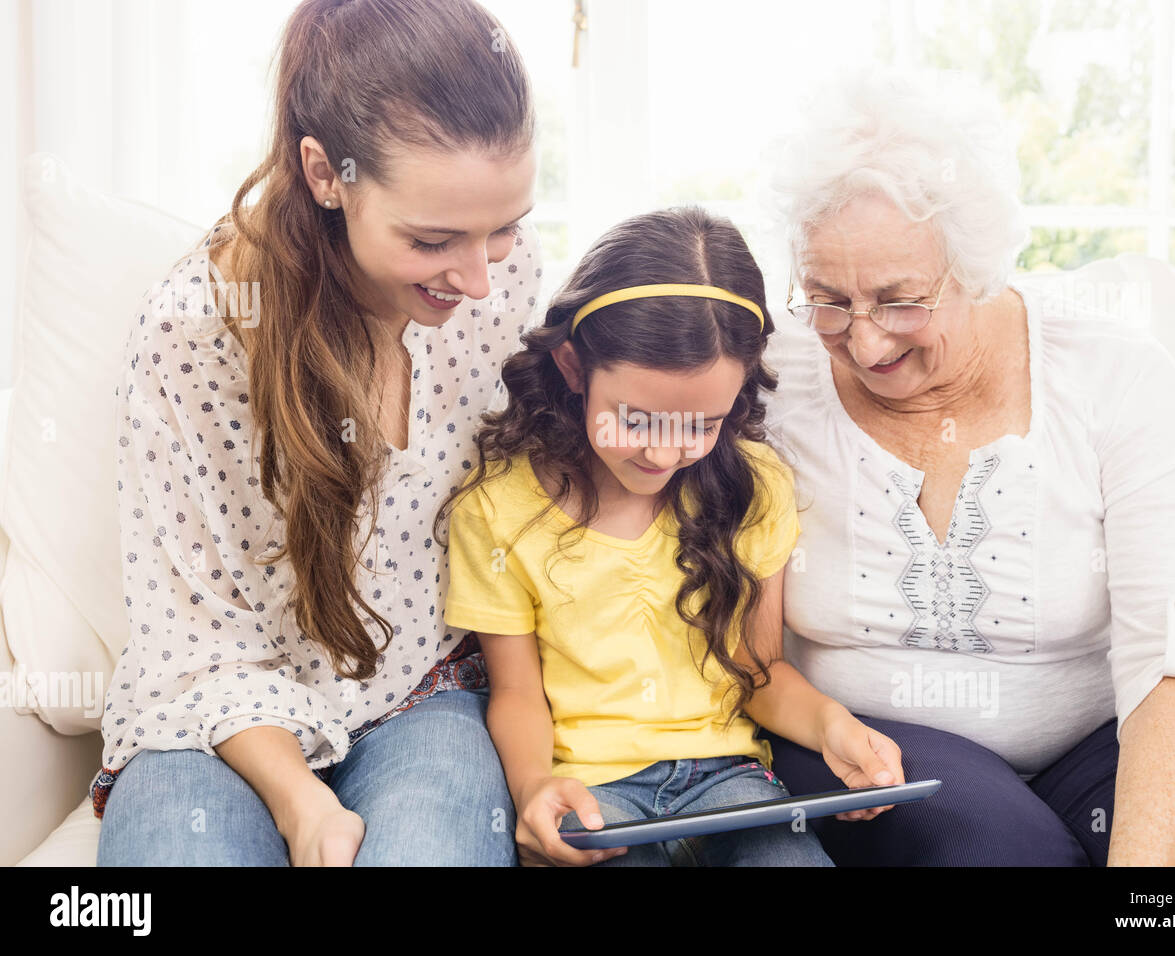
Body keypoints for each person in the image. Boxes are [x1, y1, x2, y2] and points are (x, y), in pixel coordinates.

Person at [758, 66, 1175, 865]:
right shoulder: (772, 379)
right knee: (999, 855)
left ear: (975, 267)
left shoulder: (1117, 375)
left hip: (1103, 733)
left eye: (901, 300)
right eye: (829, 300)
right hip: (877, 742)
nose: (865, 342)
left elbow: (1173, 655)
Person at [95, 0, 541, 866]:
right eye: (434, 240)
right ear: (325, 174)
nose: (482, 281)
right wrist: (302, 806)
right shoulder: (195, 330)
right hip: (214, 717)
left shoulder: (498, 280)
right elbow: (194, 636)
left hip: (418, 692)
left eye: (506, 228)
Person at [435, 206, 904, 867]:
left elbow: (759, 672)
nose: (662, 454)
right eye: (635, 419)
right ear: (573, 367)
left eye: (701, 424)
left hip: (731, 782)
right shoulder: (497, 509)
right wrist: (535, 786)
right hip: (594, 791)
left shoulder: (755, 485)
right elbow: (516, 693)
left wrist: (835, 728)